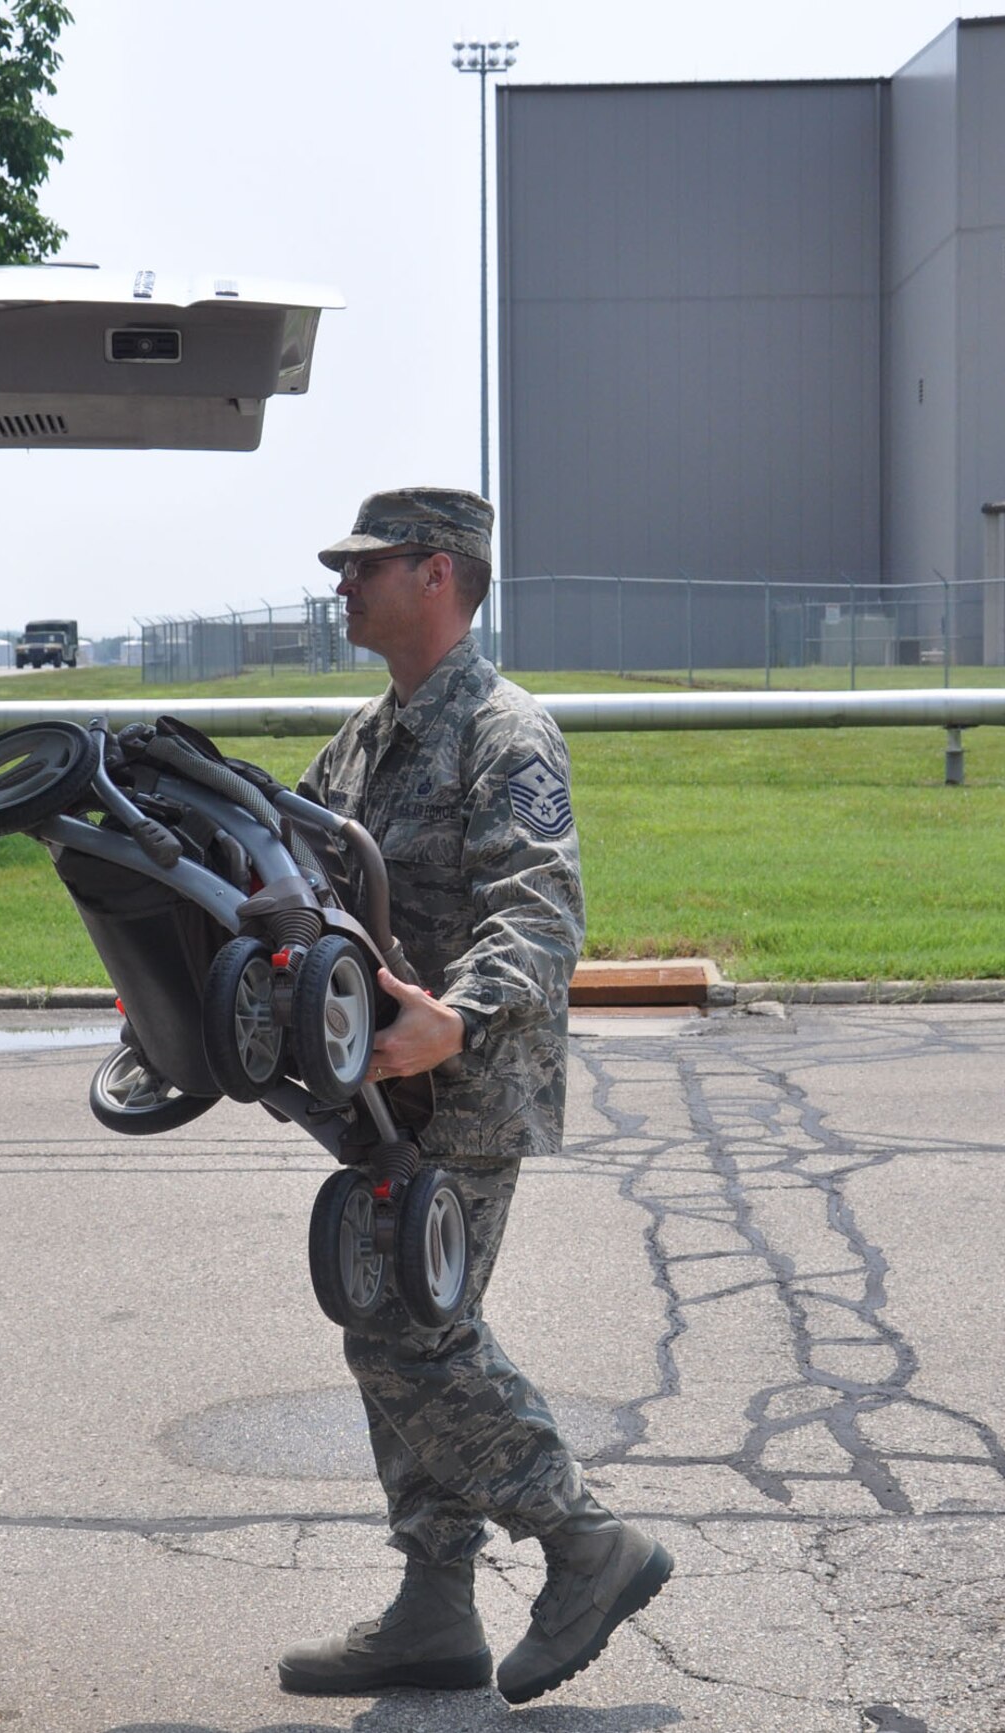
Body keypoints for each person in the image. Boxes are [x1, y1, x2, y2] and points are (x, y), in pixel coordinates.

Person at [277, 487, 672, 1705]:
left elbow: (539, 908)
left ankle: (582, 1542)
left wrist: (459, 1010)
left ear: (437, 572)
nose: (342, 581)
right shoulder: (365, 737)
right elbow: (287, 866)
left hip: (466, 1090)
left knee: (406, 1330)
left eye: (365, 563)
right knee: (390, 1318)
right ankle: (434, 1606)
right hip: (375, 1091)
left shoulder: (503, 732)